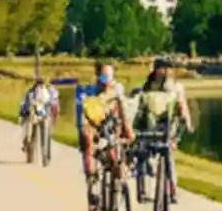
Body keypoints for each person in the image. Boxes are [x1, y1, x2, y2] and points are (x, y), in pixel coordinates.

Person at [131, 58, 193, 201]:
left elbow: (182, 106)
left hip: (167, 128)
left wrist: (186, 122)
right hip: (148, 127)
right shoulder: (146, 87)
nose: (165, 71)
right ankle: (142, 189)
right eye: (162, 68)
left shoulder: (176, 87)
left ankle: (171, 189)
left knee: (168, 155)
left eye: (167, 68)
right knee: (142, 152)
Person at [75, 63, 132, 203]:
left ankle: (119, 196)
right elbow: (81, 118)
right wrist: (85, 131)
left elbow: (123, 112)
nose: (106, 82)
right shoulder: (87, 93)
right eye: (103, 77)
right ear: (98, 77)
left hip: (110, 129)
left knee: (116, 159)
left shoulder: (116, 91)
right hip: (93, 128)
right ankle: (92, 184)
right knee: (88, 145)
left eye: (109, 77)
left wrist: (127, 130)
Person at [19, 77, 55, 152]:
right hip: (34, 113)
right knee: (29, 126)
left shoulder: (46, 92)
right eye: (38, 85)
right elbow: (26, 104)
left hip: (42, 113)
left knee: (35, 125)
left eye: (40, 85)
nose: (39, 87)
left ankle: (30, 142)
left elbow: (50, 102)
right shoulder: (31, 92)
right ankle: (27, 142)